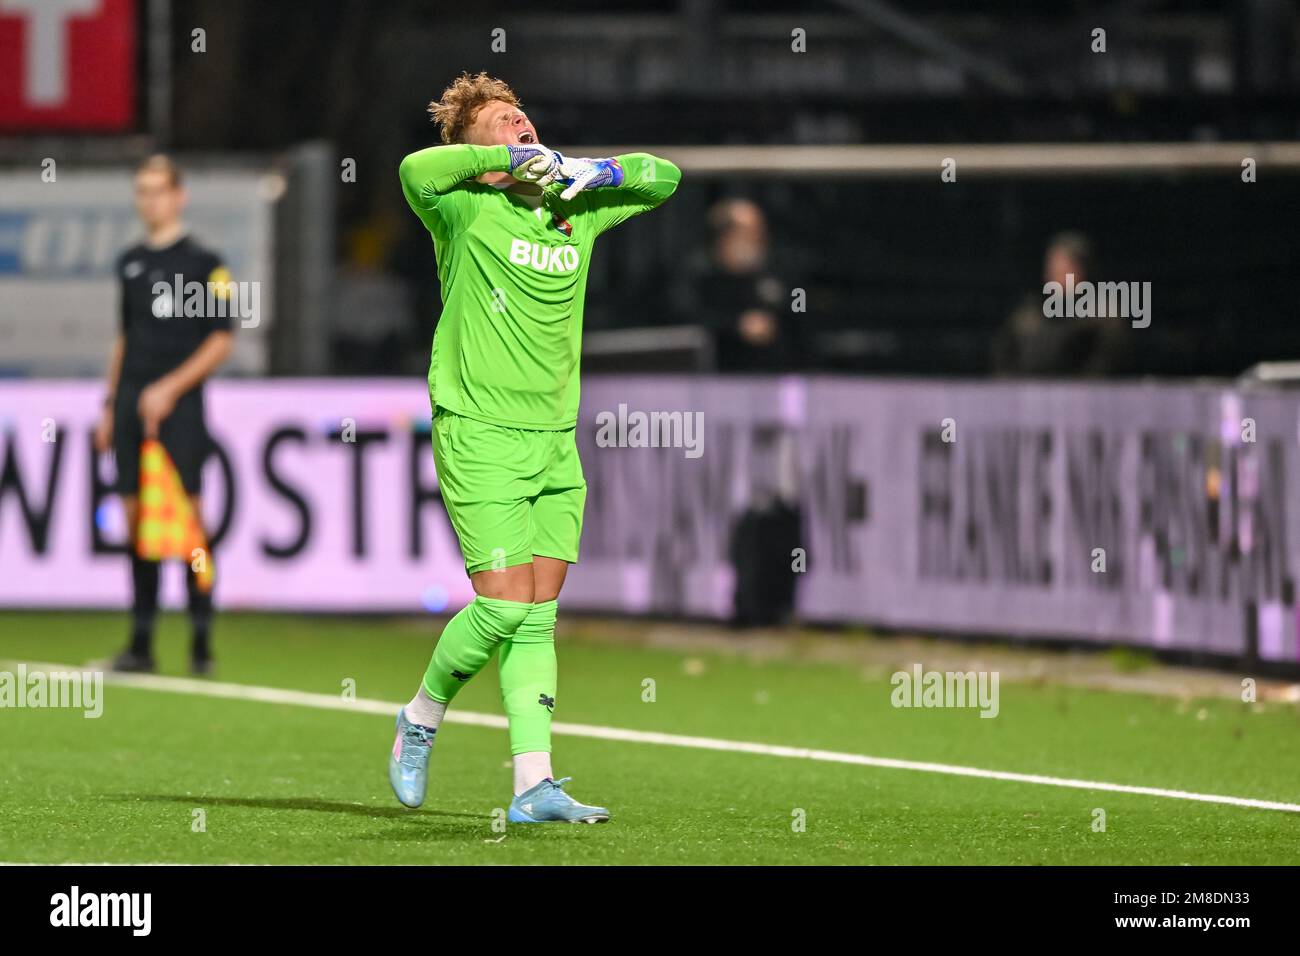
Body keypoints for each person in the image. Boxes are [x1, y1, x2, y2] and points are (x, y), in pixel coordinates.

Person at [392, 72, 679, 823]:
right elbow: (414, 169)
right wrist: (502, 167)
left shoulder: (572, 209)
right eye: (499, 121)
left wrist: (600, 172)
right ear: (476, 151)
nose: (520, 123)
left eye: (522, 115)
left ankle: (532, 784)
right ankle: (420, 717)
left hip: (556, 444)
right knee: (501, 610)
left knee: (539, 616)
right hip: (478, 432)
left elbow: (665, 178)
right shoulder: (462, 208)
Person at [93, 155, 234, 675]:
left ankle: (201, 645)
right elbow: (125, 337)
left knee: (190, 528)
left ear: (179, 196)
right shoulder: (130, 261)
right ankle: (141, 644)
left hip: (180, 410)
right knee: (137, 524)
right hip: (131, 404)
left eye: (158, 190)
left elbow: (221, 340)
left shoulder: (204, 265)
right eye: (142, 191)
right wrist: (111, 406)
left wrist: (170, 389)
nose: (149, 200)